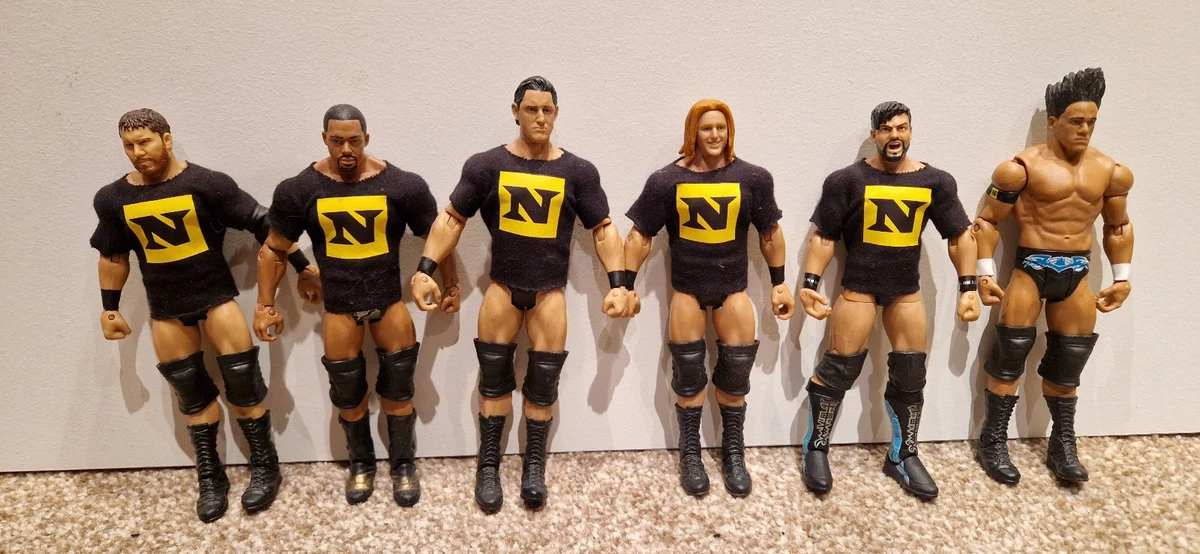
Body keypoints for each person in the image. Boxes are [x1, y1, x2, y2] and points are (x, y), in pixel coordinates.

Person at [412, 76, 630, 512]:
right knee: (493, 382)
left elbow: (604, 229)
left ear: (557, 113)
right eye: (531, 109)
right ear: (515, 112)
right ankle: (488, 464)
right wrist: (424, 270)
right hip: (502, 289)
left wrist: (620, 283)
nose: (540, 118)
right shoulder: (486, 166)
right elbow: (452, 219)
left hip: (551, 294)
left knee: (543, 386)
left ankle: (534, 466)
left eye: (547, 110)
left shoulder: (578, 171)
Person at [91, 108, 318, 522]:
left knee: (245, 388)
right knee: (191, 396)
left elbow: (264, 224)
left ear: (167, 139)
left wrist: (302, 266)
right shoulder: (113, 199)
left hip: (217, 299)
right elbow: (113, 256)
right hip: (166, 309)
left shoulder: (207, 184)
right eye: (128, 146)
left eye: (145, 142)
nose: (138, 153)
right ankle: (211, 475)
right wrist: (109, 307)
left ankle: (265, 465)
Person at [255, 104, 458, 506]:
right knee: (348, 395)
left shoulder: (403, 185)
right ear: (324, 139)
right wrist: (265, 302)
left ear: (367, 138)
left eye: (353, 140)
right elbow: (274, 249)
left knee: (400, 390)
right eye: (337, 140)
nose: (346, 149)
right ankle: (361, 464)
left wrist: (448, 282)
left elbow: (439, 235)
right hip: (339, 307)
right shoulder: (299, 190)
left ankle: (403, 464)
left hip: (390, 302)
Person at [796, 101, 980, 499]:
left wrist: (969, 287)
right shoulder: (846, 180)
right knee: (838, 367)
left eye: (901, 127)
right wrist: (809, 283)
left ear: (911, 131)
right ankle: (816, 447)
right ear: (874, 134)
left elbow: (960, 236)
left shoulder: (935, 181)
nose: (894, 135)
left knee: (911, 373)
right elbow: (824, 236)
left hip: (905, 290)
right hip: (858, 287)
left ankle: (903, 454)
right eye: (886, 129)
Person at [624, 99, 795, 498]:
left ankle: (733, 452)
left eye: (721, 127)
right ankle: (690, 453)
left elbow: (770, 233)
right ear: (693, 132)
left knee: (736, 375)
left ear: (729, 130)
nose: (714, 135)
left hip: (734, 291)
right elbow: (639, 236)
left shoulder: (753, 178)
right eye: (706, 128)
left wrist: (779, 283)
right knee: (688, 377)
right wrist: (624, 284)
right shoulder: (666, 180)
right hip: (686, 292)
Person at [974, 68, 1133, 485]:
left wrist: (1122, 278)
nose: (1085, 130)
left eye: (1091, 121)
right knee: (1010, 356)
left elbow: (1118, 227)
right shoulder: (1020, 168)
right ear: (1053, 121)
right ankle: (993, 440)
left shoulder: (1110, 171)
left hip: (1077, 271)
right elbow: (987, 221)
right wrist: (984, 272)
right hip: (1031, 266)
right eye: (1075, 121)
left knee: (1069, 362)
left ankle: (1062, 443)